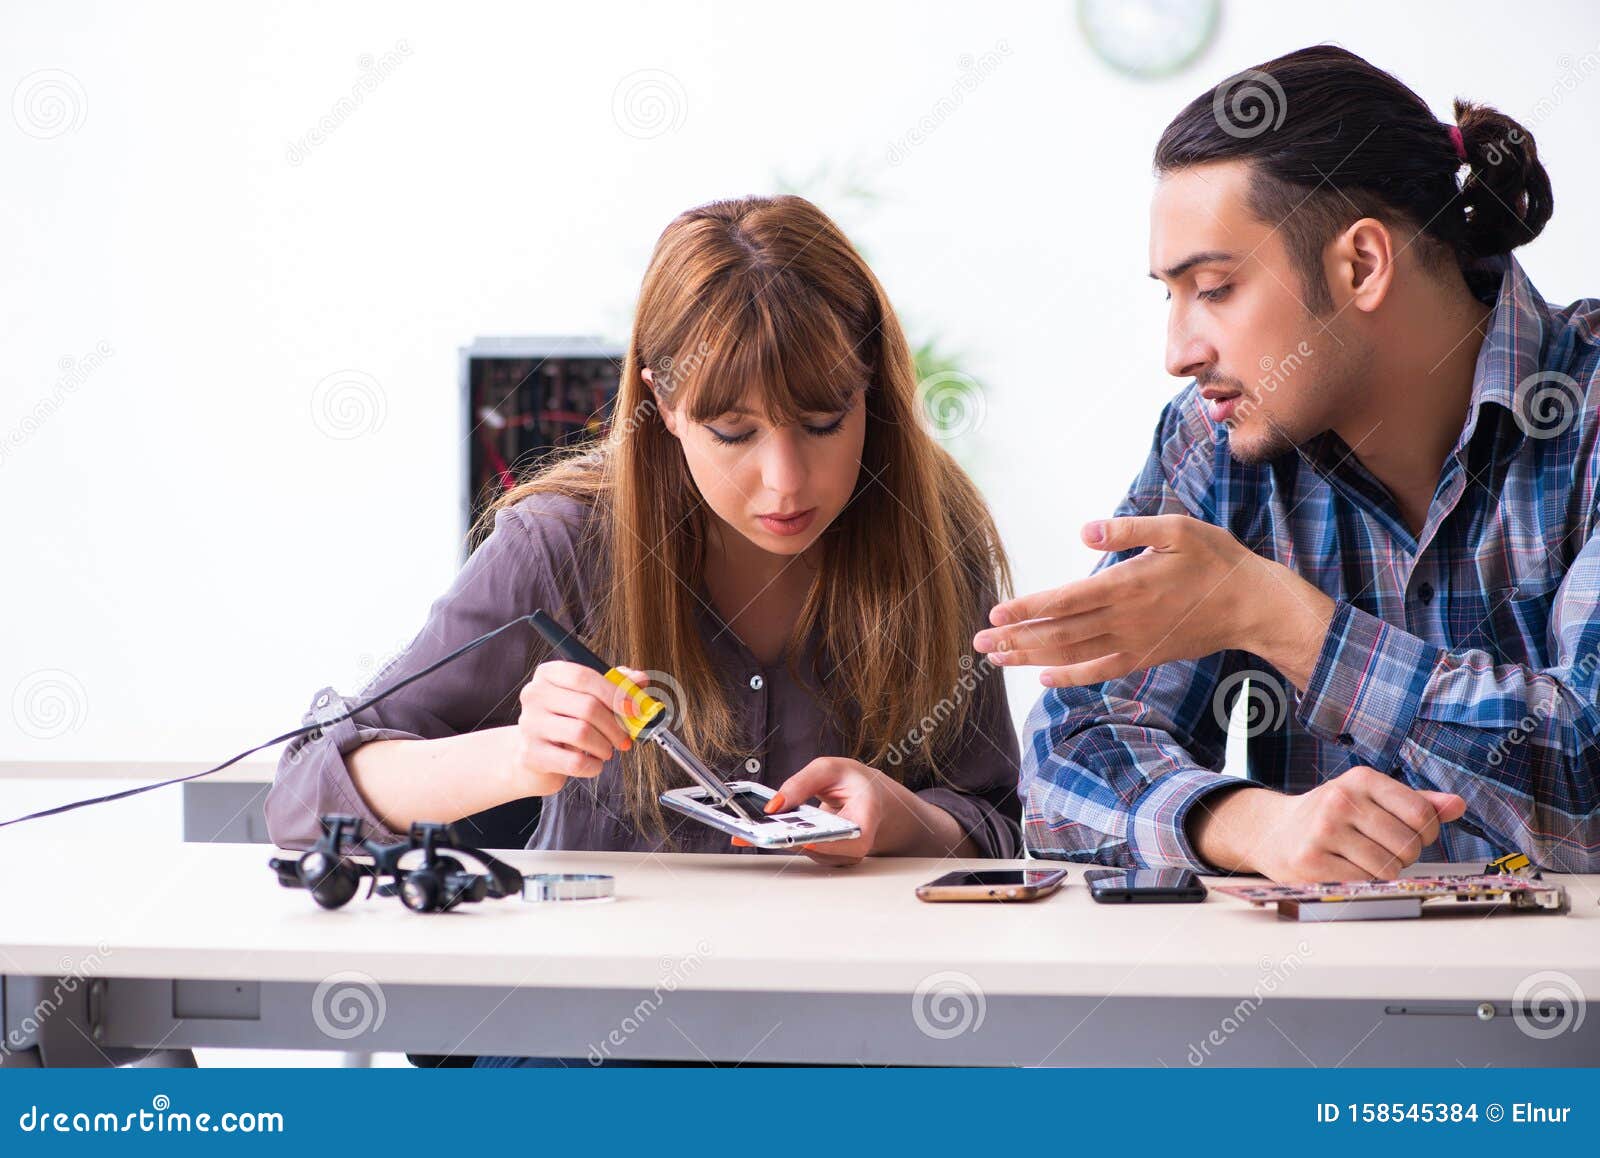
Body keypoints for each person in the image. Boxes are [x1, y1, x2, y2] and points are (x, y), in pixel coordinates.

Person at [266, 195, 1021, 1061]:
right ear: (660, 402)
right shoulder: (560, 548)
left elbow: (1000, 828)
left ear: (872, 389)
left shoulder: (934, 536)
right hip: (593, 1047)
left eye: (824, 422)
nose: (785, 481)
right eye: (731, 430)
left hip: (856, 1042)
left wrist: (905, 822)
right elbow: (300, 799)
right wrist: (513, 757)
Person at [976, 46, 1600, 882]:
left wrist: (1288, 624)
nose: (1178, 351)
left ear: (1362, 265)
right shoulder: (1216, 440)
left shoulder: (1586, 413)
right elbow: (1065, 761)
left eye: (1216, 287)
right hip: (1313, 1005)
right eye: (1172, 293)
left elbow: (1588, 781)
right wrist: (1244, 824)